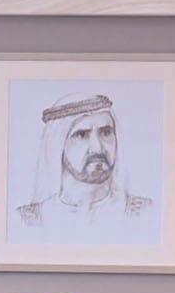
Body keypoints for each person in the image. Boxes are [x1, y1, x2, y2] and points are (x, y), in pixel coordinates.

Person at [14, 94, 151, 225]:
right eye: (81, 135)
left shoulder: (145, 212)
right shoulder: (26, 220)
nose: (97, 148)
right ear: (58, 145)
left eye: (106, 133)